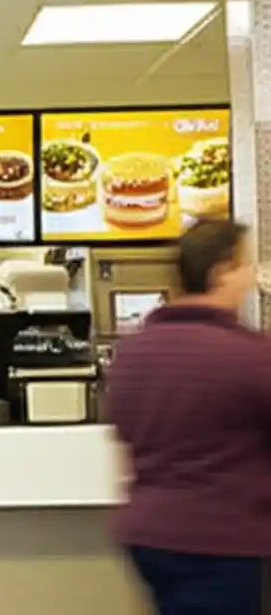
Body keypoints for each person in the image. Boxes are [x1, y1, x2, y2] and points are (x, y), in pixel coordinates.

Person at [109, 220, 270, 614]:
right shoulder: (249, 355)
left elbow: (124, 430)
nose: (252, 277)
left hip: (148, 536)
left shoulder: (131, 352)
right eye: (246, 265)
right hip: (218, 538)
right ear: (221, 274)